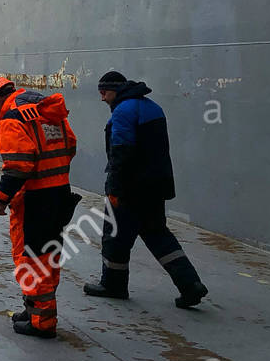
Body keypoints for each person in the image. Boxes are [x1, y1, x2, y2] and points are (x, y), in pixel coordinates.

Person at [84, 71, 208, 308]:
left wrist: (114, 189)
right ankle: (190, 283)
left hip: (131, 188)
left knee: (115, 237)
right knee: (157, 234)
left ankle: (113, 285)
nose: (102, 98)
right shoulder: (152, 107)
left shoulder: (123, 111)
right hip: (156, 186)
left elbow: (121, 153)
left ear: (115, 90)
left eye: (104, 92)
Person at [0, 75, 80, 339]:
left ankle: (42, 323)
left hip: (36, 199)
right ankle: (33, 309)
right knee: (47, 255)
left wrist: (0, 198)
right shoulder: (46, 109)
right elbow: (71, 145)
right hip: (59, 193)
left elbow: (18, 165)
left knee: (34, 260)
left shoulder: (13, 117)